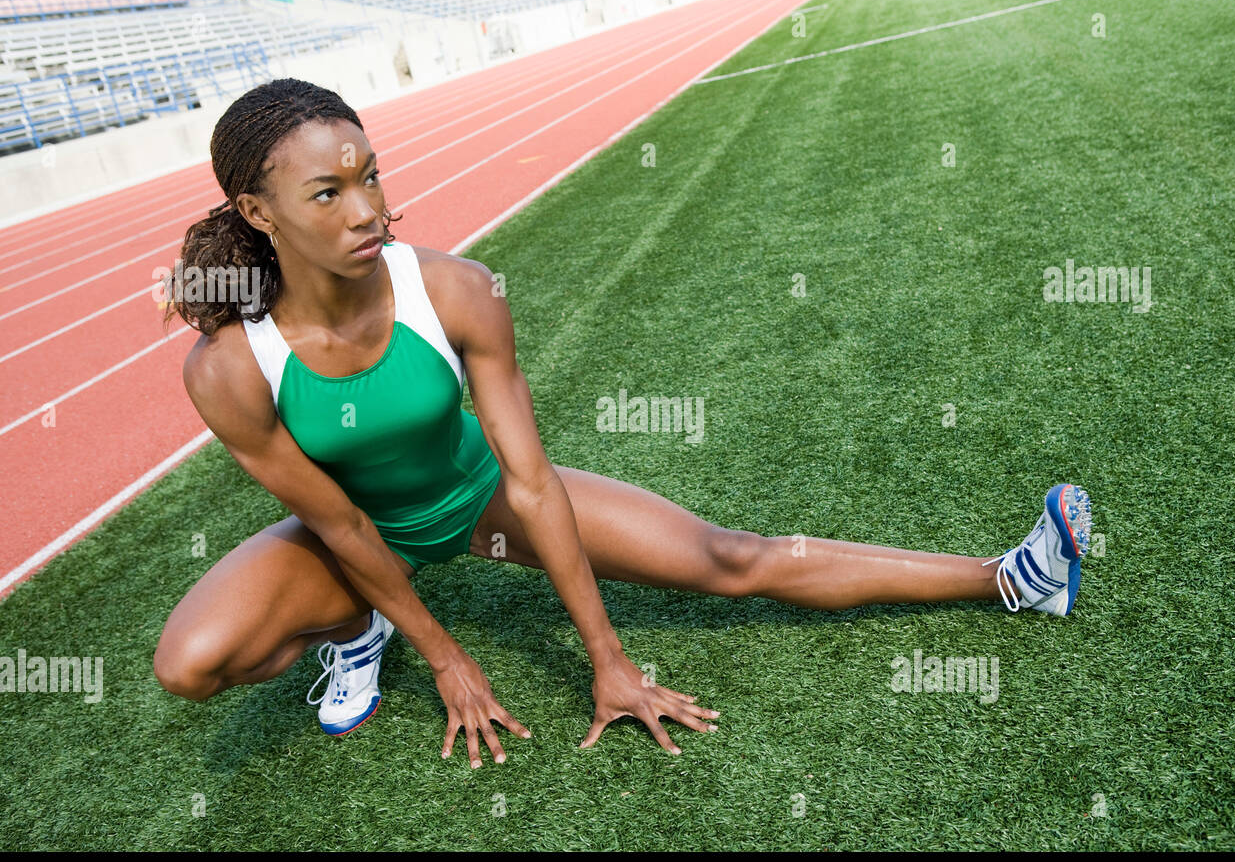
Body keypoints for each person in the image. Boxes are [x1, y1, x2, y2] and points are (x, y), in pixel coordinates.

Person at [153, 79, 1092, 768]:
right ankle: (360, 632)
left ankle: (1010, 578)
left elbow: (529, 481)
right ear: (256, 211)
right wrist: (445, 654)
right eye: (328, 193)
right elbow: (342, 522)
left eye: (371, 175)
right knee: (189, 664)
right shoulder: (232, 367)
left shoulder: (455, 291)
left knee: (736, 559)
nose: (369, 210)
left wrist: (610, 658)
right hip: (357, 537)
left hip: (480, 497)